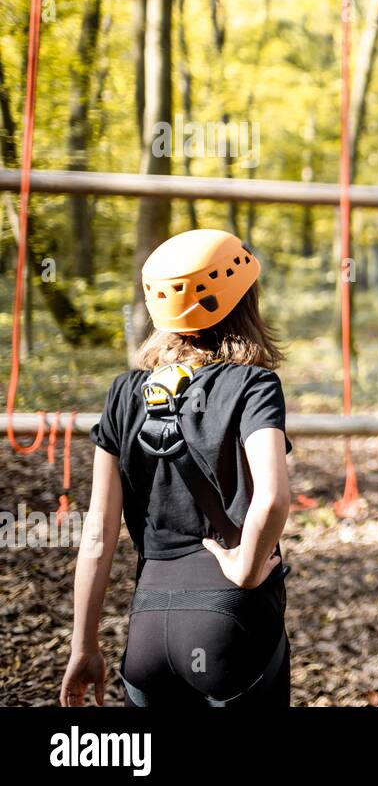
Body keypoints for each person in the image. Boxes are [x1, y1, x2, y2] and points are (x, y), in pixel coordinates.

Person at [60, 229, 293, 707]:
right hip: (232, 625)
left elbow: (99, 534)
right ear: (246, 300)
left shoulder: (124, 393)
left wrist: (83, 645)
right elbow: (272, 497)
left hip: (149, 633)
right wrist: (248, 568)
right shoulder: (253, 385)